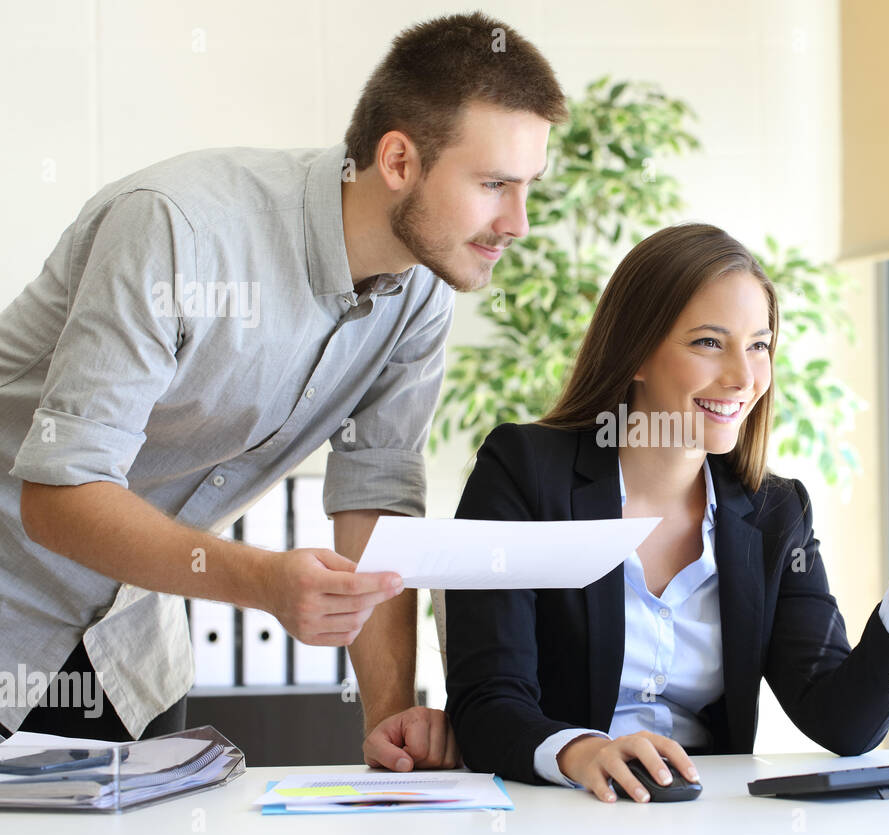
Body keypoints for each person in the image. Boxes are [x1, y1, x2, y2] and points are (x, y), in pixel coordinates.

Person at [0, 12, 566, 758]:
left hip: (127, 656)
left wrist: (388, 715)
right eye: (495, 184)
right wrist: (263, 582)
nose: (518, 222)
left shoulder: (421, 294)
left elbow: (375, 498)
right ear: (398, 159)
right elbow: (58, 498)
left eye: (528, 187)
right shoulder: (180, 230)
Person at [440, 223, 889, 801]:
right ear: (635, 351)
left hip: (705, 821)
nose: (743, 377)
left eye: (758, 345)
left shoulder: (775, 512)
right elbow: (486, 702)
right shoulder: (524, 473)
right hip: (553, 817)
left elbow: (844, 722)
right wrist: (583, 752)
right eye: (709, 343)